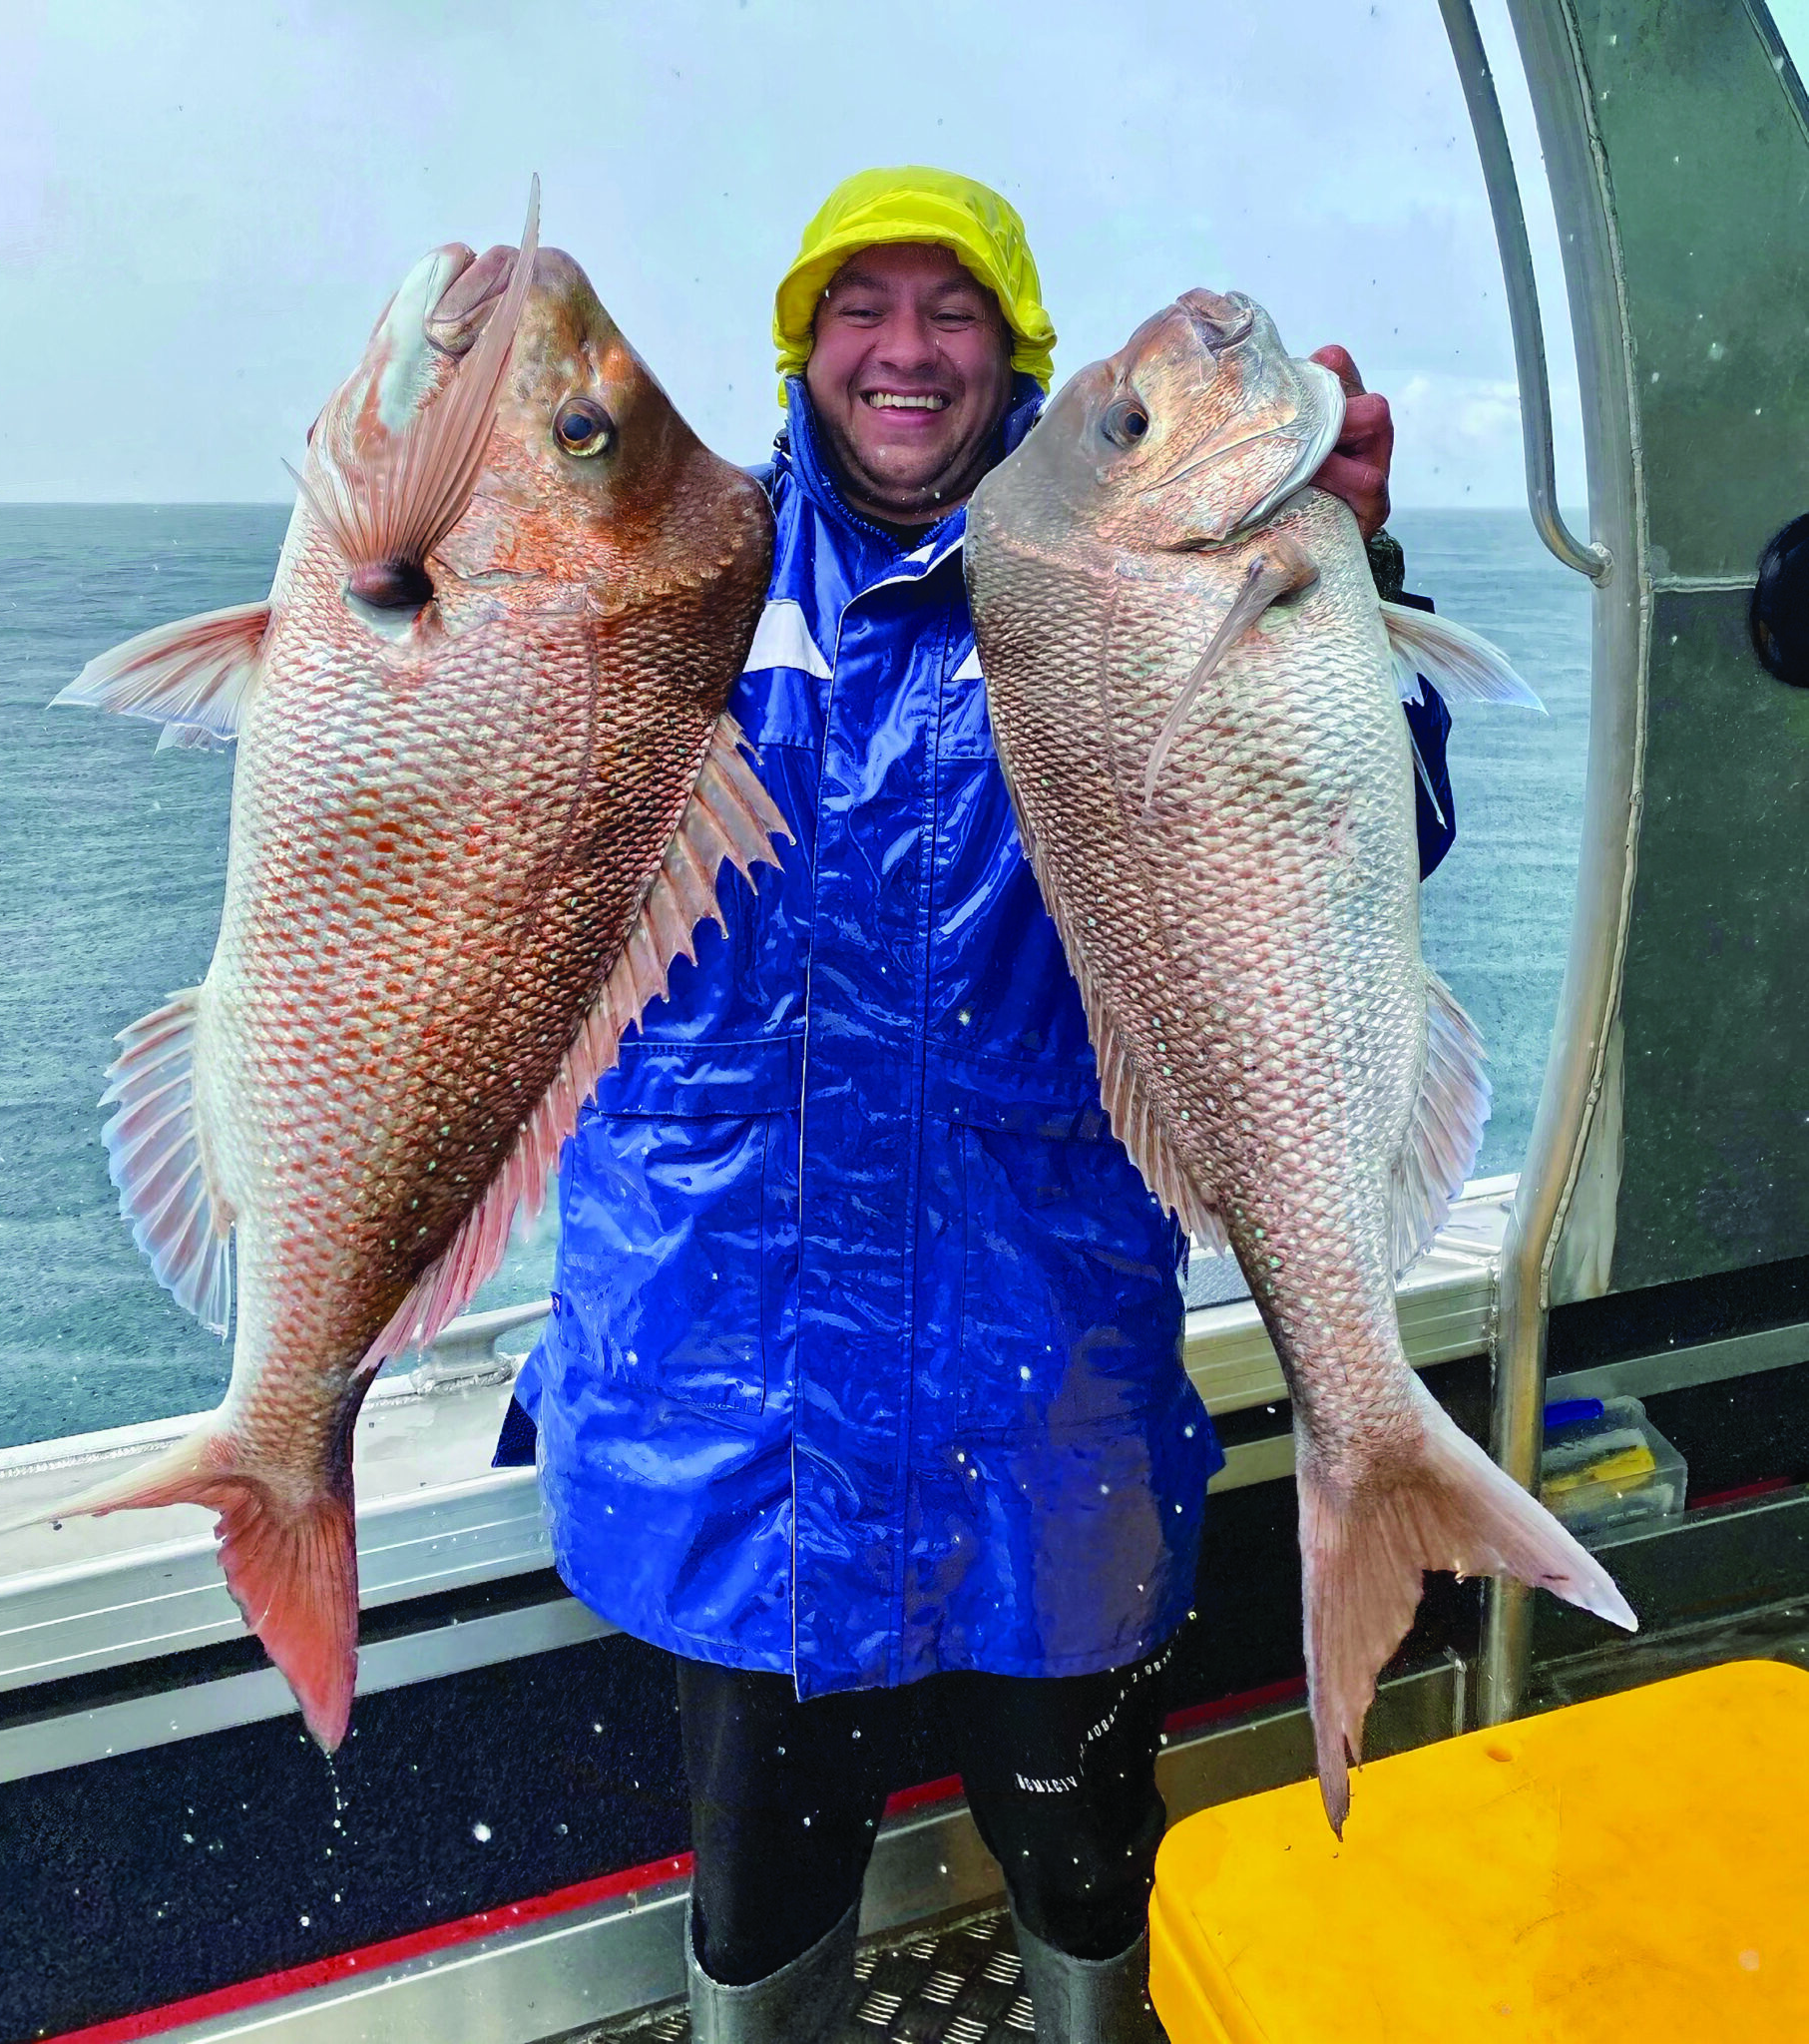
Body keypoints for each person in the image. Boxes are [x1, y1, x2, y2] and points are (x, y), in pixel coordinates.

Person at [500, 167, 1455, 2043]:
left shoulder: (1106, 580)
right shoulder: (680, 581)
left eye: (955, 310)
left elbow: (1368, 843)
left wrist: (1357, 594)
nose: (905, 349)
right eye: (863, 307)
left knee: (1092, 1852)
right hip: (741, 1399)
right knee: (759, 1876)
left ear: (1017, 353)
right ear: (805, 347)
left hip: (1046, 1390)